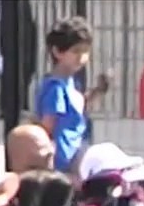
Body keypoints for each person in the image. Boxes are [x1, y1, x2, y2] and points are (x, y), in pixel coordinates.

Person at [38, 17, 108, 173]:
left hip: (76, 162)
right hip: (61, 167)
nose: (82, 57)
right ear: (57, 52)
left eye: (85, 51)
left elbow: (77, 106)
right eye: (76, 51)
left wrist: (98, 91)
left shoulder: (70, 83)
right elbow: (47, 127)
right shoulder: (55, 88)